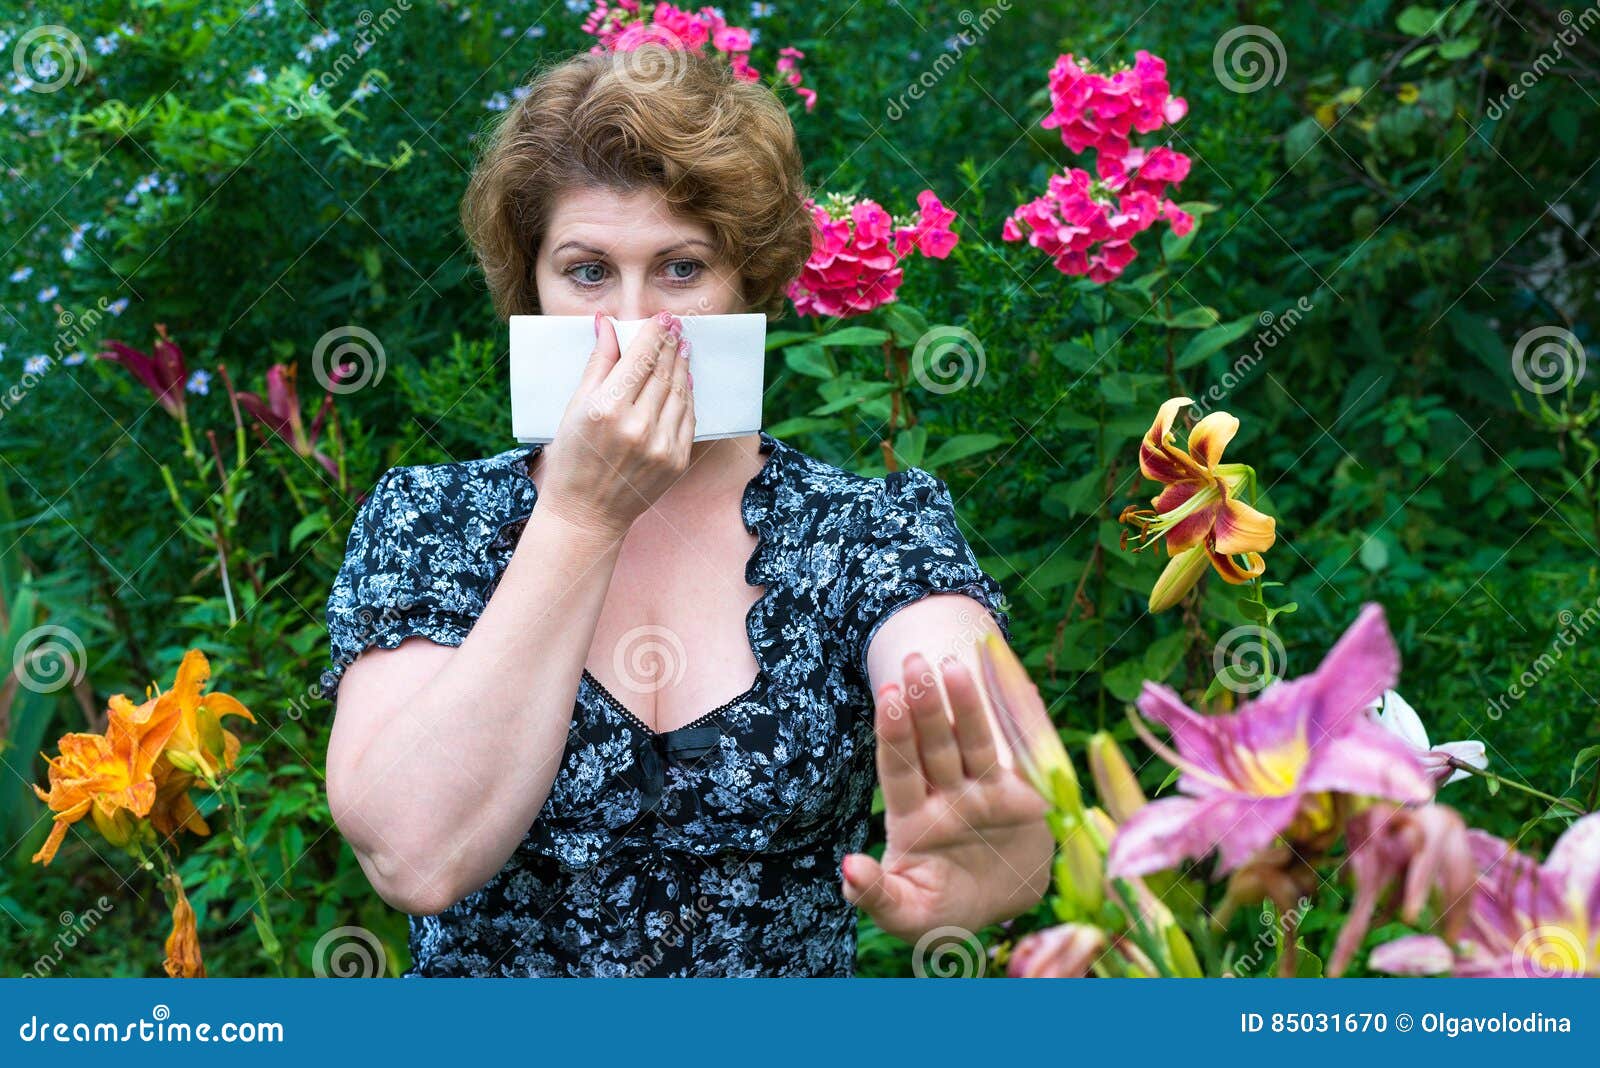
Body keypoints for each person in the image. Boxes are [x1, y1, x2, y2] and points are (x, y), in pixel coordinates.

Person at [318, 45, 1053, 977]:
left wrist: (1006, 842)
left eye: (679, 268)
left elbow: (953, 685)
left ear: (746, 280)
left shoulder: (861, 534)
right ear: (532, 288)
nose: (633, 326)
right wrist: (583, 517)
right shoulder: (431, 522)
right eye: (588, 271)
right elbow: (414, 855)